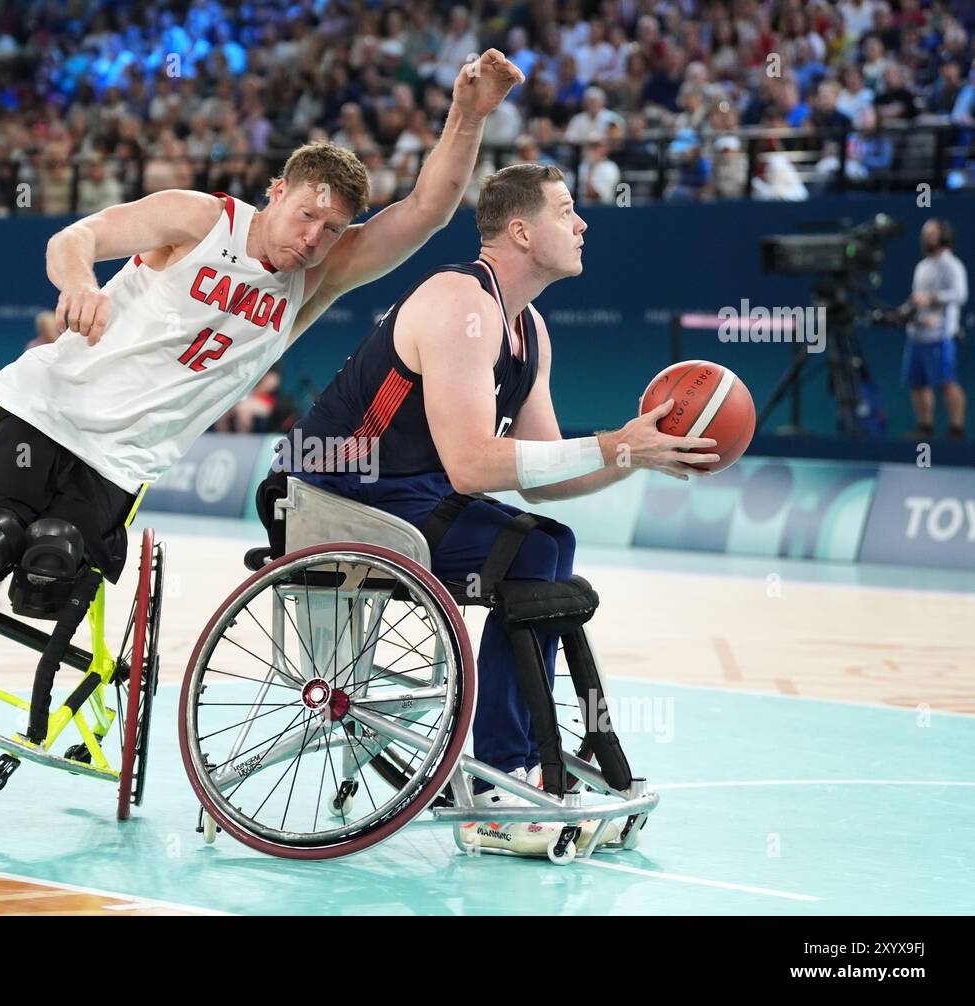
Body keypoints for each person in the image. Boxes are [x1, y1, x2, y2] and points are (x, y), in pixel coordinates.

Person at [0, 52, 526, 714]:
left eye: (330, 229)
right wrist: (78, 285)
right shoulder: (201, 219)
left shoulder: (316, 279)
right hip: (47, 409)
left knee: (51, 566)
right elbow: (77, 236)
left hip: (122, 460)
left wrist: (468, 114)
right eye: (306, 215)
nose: (313, 238)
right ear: (278, 190)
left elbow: (425, 210)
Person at [276, 163, 716, 855]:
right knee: (537, 551)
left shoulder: (528, 328)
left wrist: (631, 455)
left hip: (406, 493)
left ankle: (515, 759)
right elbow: (475, 465)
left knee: (547, 544)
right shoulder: (459, 304)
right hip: (332, 492)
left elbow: (540, 478)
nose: (582, 224)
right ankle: (496, 781)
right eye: (566, 211)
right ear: (520, 230)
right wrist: (610, 443)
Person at [903, 218, 967, 439]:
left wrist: (931, 299)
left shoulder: (952, 265)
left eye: (930, 233)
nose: (926, 238)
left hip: (940, 335)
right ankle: (925, 426)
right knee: (917, 383)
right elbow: (916, 298)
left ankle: (957, 427)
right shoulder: (922, 267)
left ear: (944, 236)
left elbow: (960, 294)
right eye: (924, 233)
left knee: (947, 381)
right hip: (917, 334)